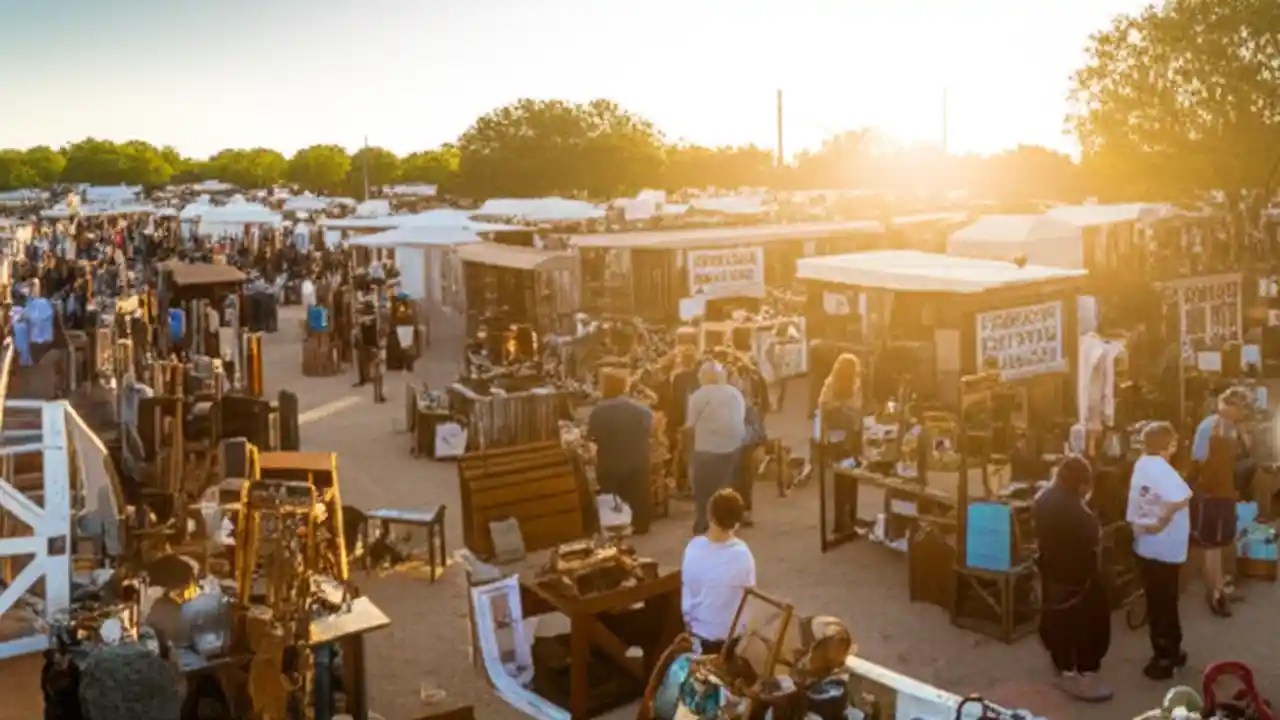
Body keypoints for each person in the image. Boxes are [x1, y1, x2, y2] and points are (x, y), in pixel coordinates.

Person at [1035, 456, 1113, 702]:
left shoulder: (1042, 499)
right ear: (1082, 485)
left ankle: (1064, 669)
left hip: (1051, 573)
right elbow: (1094, 547)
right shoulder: (1082, 516)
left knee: (1057, 623)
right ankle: (1085, 677)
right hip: (1078, 580)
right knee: (1092, 626)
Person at [1126, 421, 1192, 680]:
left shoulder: (1145, 464)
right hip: (1161, 546)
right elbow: (1182, 497)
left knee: (1160, 603)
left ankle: (1166, 655)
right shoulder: (1158, 467)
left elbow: (1179, 497)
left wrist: (1157, 523)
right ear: (1169, 445)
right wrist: (1161, 522)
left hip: (1155, 545)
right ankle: (1170, 652)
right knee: (1165, 602)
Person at [1190, 387, 1251, 617]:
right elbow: (1198, 460)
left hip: (1225, 493)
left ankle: (1221, 587)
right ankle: (1214, 595)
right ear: (1230, 405)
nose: (1243, 414)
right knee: (1211, 546)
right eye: (1241, 409)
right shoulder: (1209, 426)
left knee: (1223, 541)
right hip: (1210, 494)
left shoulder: (1234, 429)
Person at [681, 488, 756, 654]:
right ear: (737, 522)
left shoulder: (693, 547)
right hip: (732, 638)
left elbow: (688, 600)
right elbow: (746, 599)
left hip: (700, 636)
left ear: (710, 515)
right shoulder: (744, 554)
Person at [587, 370, 654, 534]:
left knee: (610, 493)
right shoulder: (639, 409)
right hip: (637, 459)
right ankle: (641, 525)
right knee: (638, 493)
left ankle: (614, 527)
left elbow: (592, 437)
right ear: (624, 387)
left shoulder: (598, 412)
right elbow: (650, 428)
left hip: (609, 461)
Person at [686, 362, 746, 534]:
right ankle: (728, 521)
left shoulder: (699, 395)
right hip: (734, 446)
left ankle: (702, 521)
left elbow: (690, 425)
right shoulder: (735, 393)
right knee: (726, 484)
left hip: (708, 449)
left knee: (702, 487)